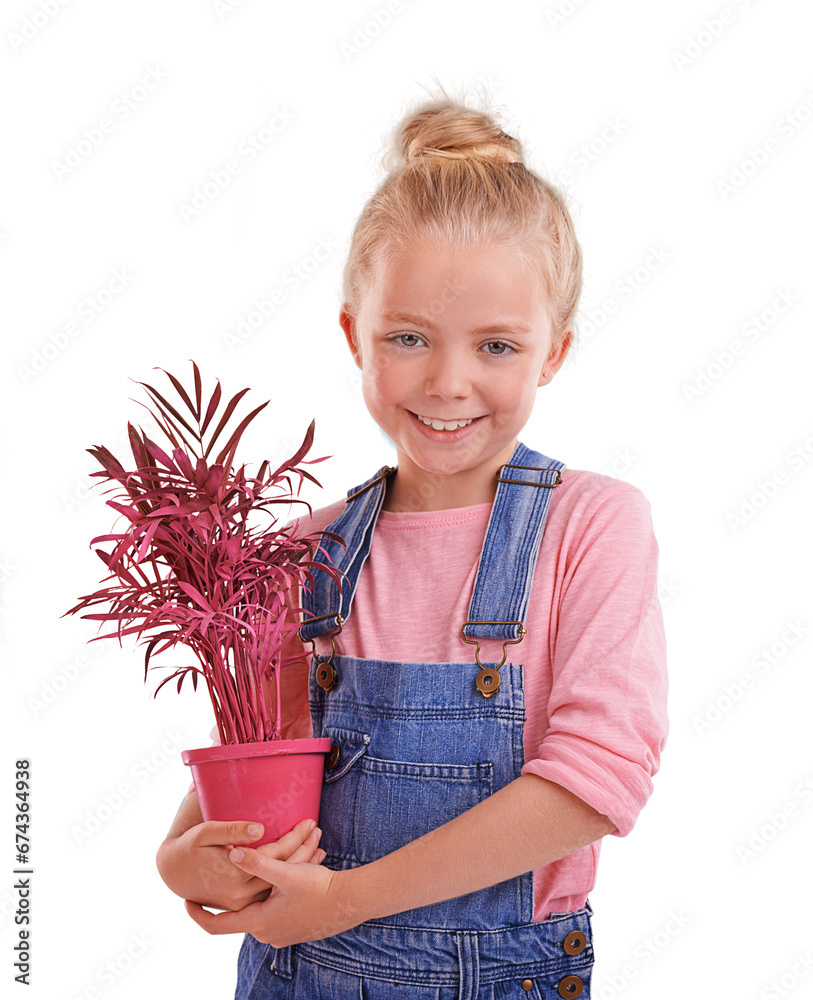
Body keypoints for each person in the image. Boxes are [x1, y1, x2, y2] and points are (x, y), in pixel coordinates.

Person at [156, 84, 669, 1000]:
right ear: (353, 336)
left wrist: (347, 901)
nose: (447, 382)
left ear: (554, 352)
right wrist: (187, 858)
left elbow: (596, 782)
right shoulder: (304, 551)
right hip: (294, 974)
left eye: (496, 347)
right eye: (407, 337)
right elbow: (257, 758)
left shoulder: (590, 527)